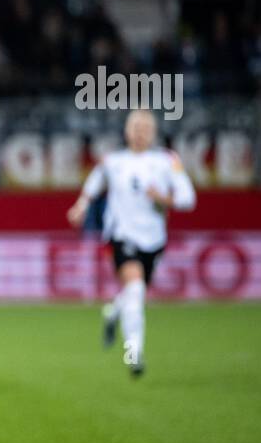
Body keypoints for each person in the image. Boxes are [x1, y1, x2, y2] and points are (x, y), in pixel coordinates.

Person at [66, 108, 196, 377]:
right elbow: (95, 181)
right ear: (126, 131)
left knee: (134, 293)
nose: (140, 132)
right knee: (136, 289)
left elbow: (188, 198)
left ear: (153, 132)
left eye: (145, 128)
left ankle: (113, 312)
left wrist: (163, 198)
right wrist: (81, 205)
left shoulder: (166, 160)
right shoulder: (114, 161)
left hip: (154, 239)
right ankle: (134, 352)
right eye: (135, 127)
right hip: (121, 235)